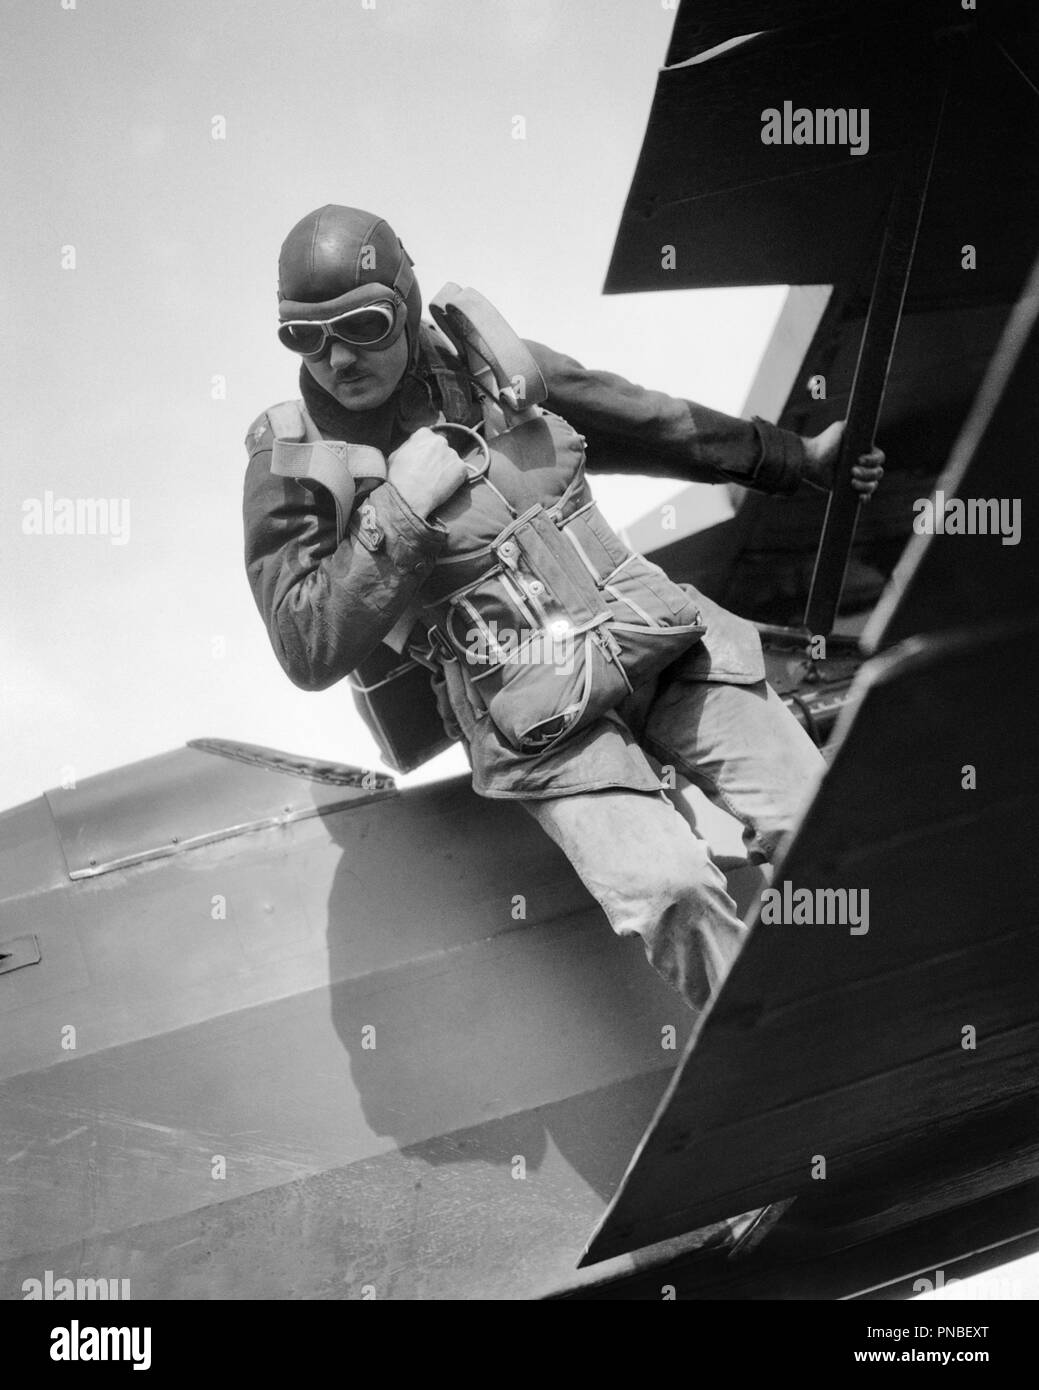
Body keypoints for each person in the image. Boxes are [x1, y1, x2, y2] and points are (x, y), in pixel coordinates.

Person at [243, 204, 884, 1020]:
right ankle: (781, 1049)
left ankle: (875, 1007)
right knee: (672, 891)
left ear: (402, 302)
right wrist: (399, 511)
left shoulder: (492, 370)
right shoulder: (295, 465)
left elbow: (646, 421)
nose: (335, 358)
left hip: (665, 648)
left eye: (361, 325)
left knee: (819, 818)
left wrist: (797, 461)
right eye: (304, 337)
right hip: (543, 726)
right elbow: (303, 644)